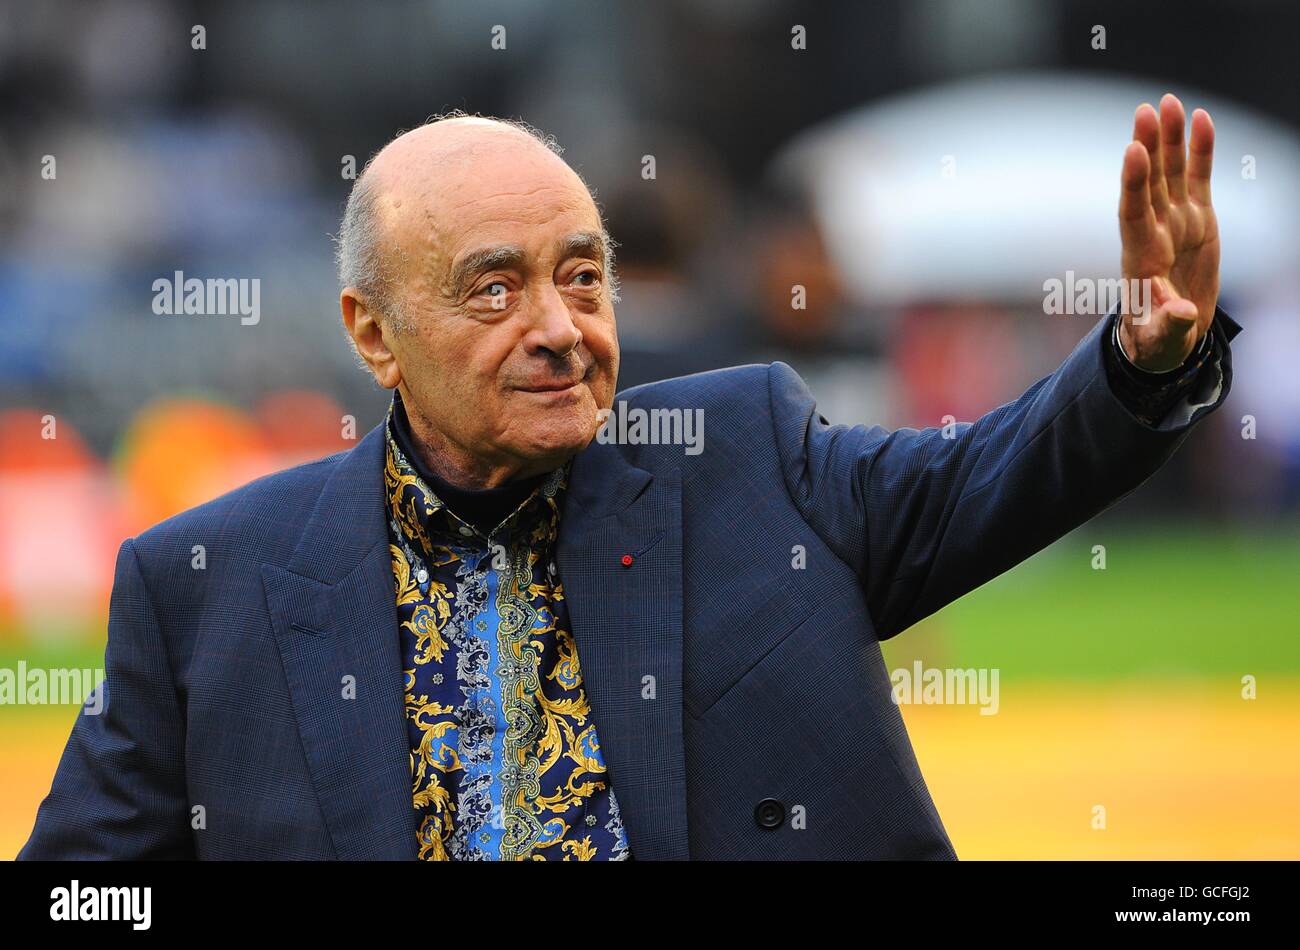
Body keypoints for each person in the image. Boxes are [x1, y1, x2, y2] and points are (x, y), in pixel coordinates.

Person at [22, 98, 1238, 859]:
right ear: (373, 333)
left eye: (585, 275)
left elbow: (997, 473)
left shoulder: (749, 456)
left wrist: (1141, 351)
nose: (559, 325)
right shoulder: (202, 585)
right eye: (495, 287)